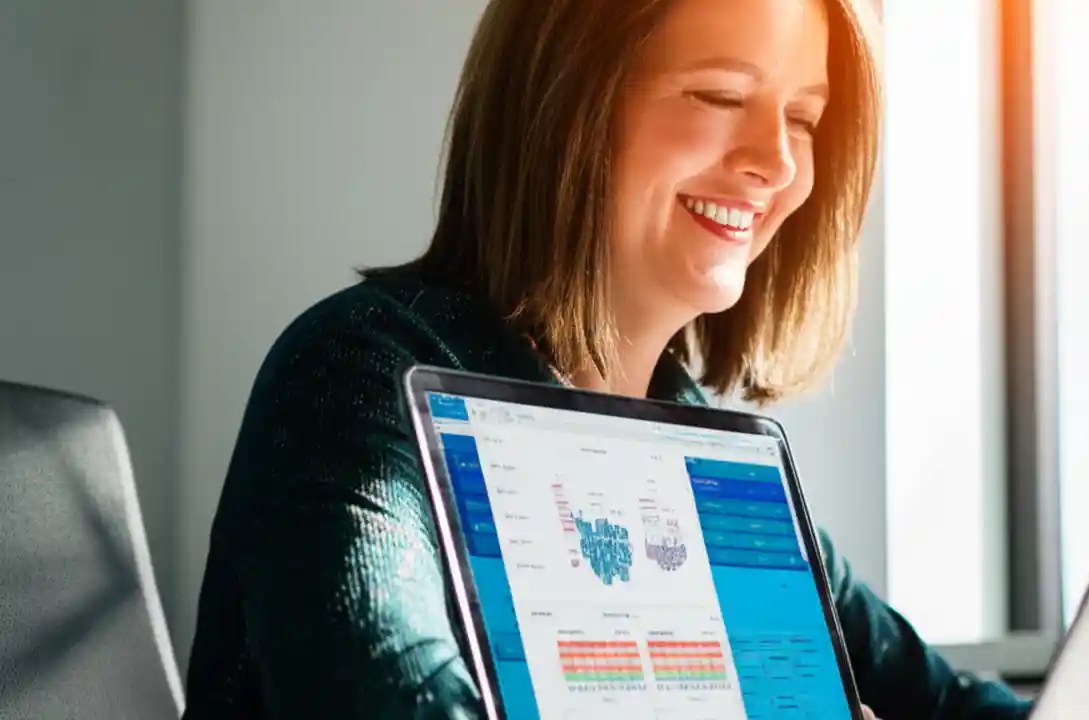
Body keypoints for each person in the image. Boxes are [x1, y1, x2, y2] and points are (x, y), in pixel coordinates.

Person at [184, 0, 1033, 717]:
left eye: (804, 119)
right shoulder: (360, 374)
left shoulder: (709, 446)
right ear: (566, 106)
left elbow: (946, 702)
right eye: (719, 94)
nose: (776, 163)